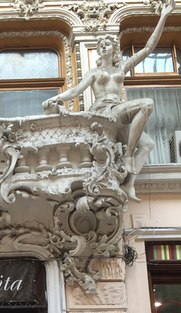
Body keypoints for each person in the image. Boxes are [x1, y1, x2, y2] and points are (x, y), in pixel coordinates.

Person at [42, 0, 175, 201]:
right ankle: (128, 155)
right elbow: (76, 90)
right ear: (99, 51)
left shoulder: (121, 68)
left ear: (113, 49)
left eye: (107, 44)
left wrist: (164, 16)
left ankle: (129, 184)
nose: (104, 46)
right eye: (101, 45)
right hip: (105, 113)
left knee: (148, 144)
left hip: (119, 113)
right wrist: (55, 97)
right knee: (147, 103)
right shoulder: (94, 72)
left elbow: (148, 48)